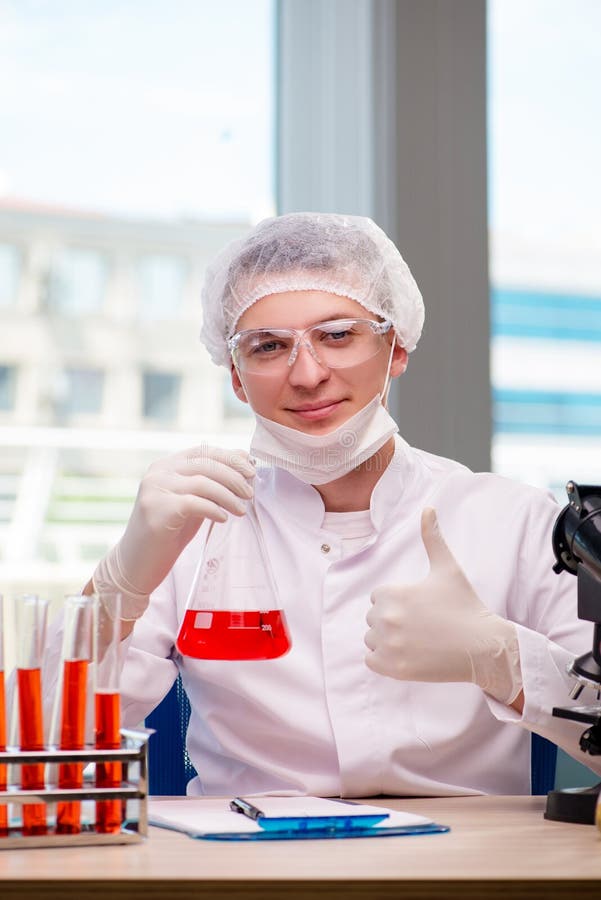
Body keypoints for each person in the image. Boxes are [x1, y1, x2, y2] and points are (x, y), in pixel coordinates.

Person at [47, 212, 598, 796]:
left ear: (398, 348)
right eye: (268, 346)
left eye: (338, 335)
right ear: (236, 377)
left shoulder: (517, 523)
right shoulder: (194, 528)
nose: (307, 374)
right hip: (244, 870)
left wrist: (506, 660)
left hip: (461, 874)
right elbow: (52, 756)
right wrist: (121, 581)